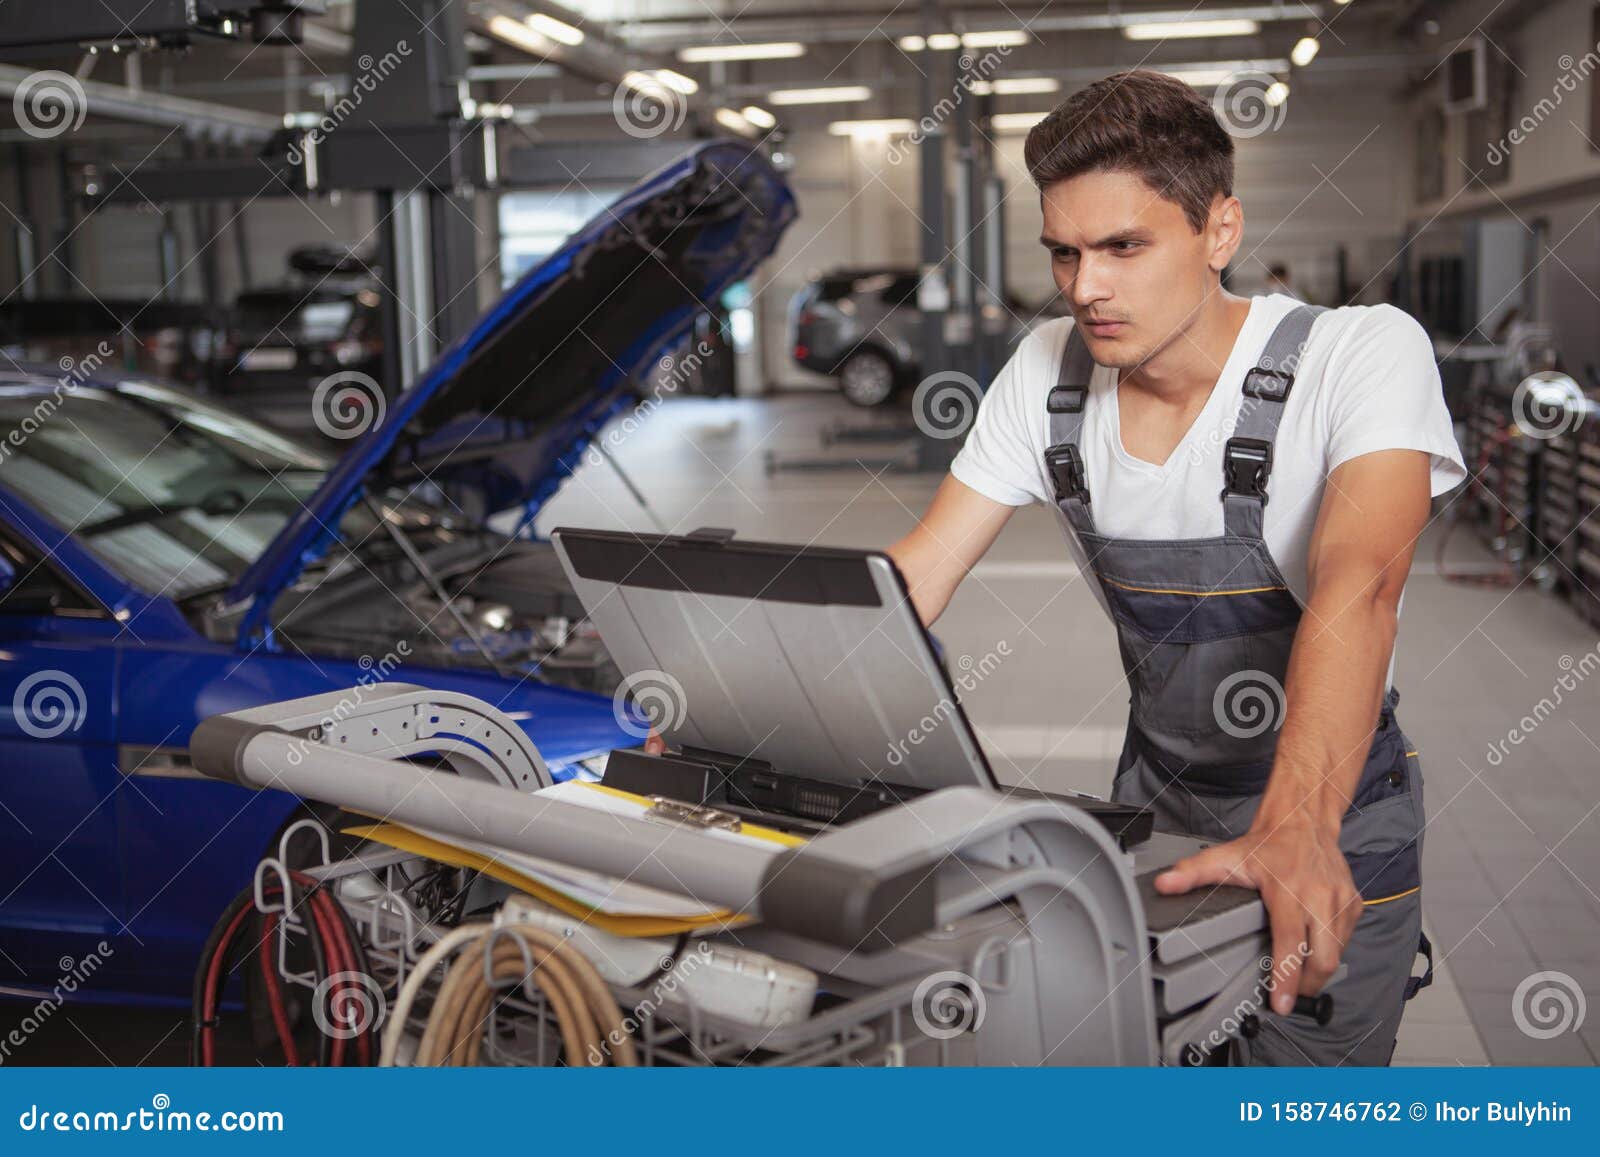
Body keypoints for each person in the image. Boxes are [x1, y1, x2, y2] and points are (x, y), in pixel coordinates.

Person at [884, 70, 1465, 1065]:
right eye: (1062, 252)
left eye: (1123, 246)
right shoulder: (1044, 373)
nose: (1083, 288)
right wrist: (753, 692)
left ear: (1220, 231)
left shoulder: (1358, 356)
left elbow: (1357, 587)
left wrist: (1294, 827)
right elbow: (914, 574)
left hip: (1331, 817)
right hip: (1155, 816)